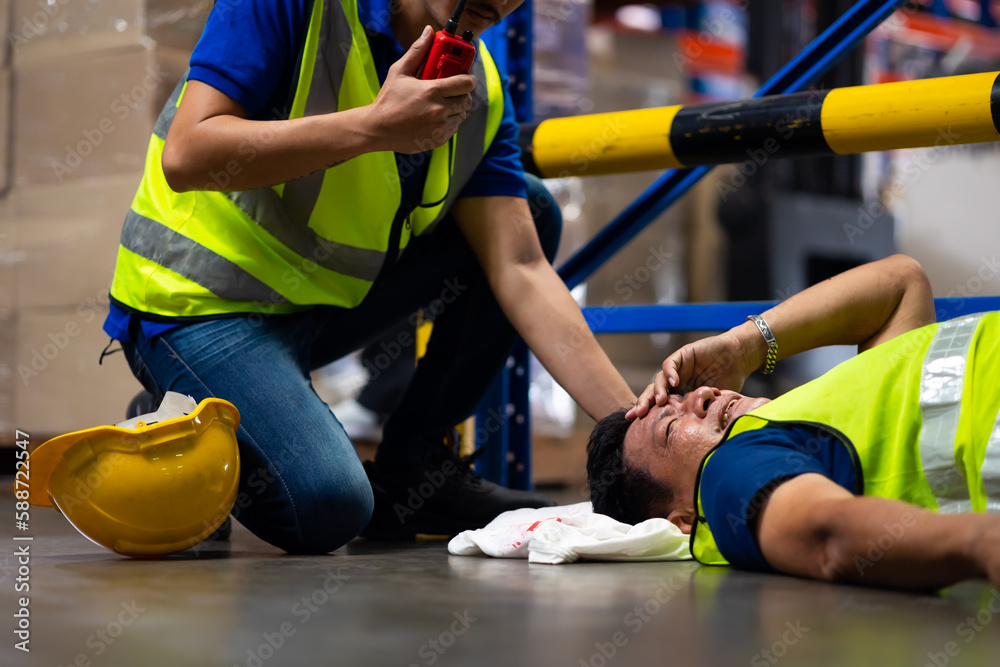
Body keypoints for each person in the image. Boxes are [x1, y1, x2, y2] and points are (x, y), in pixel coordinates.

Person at [104, 0, 635, 554]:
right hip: (196, 303)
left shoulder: (477, 90)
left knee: (530, 208)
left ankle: (418, 469)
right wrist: (372, 127)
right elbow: (187, 153)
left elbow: (520, 268)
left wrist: (633, 427)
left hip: (311, 310)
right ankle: (183, 427)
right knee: (331, 507)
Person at [587, 254, 1000, 590]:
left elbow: (902, 284)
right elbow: (829, 538)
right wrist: (982, 542)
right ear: (682, 520)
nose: (699, 395)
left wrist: (741, 347)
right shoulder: (728, 469)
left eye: (681, 395)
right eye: (671, 428)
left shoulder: (813, 425)